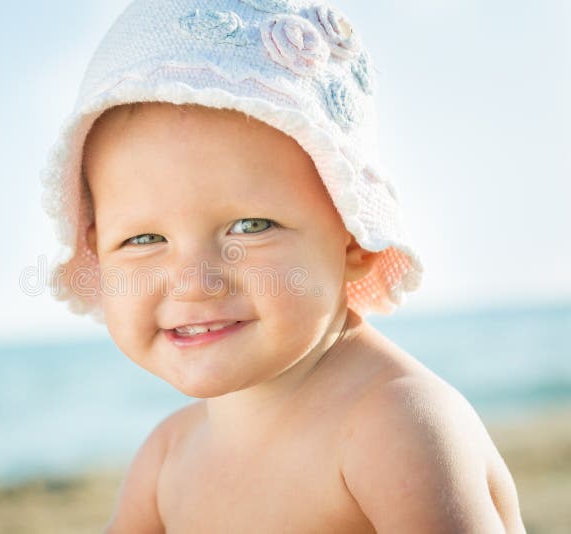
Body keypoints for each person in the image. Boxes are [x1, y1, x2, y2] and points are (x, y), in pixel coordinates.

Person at [39, 1, 525, 532]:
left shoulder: (396, 428)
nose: (195, 282)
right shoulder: (165, 460)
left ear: (354, 236)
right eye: (145, 238)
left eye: (250, 227)